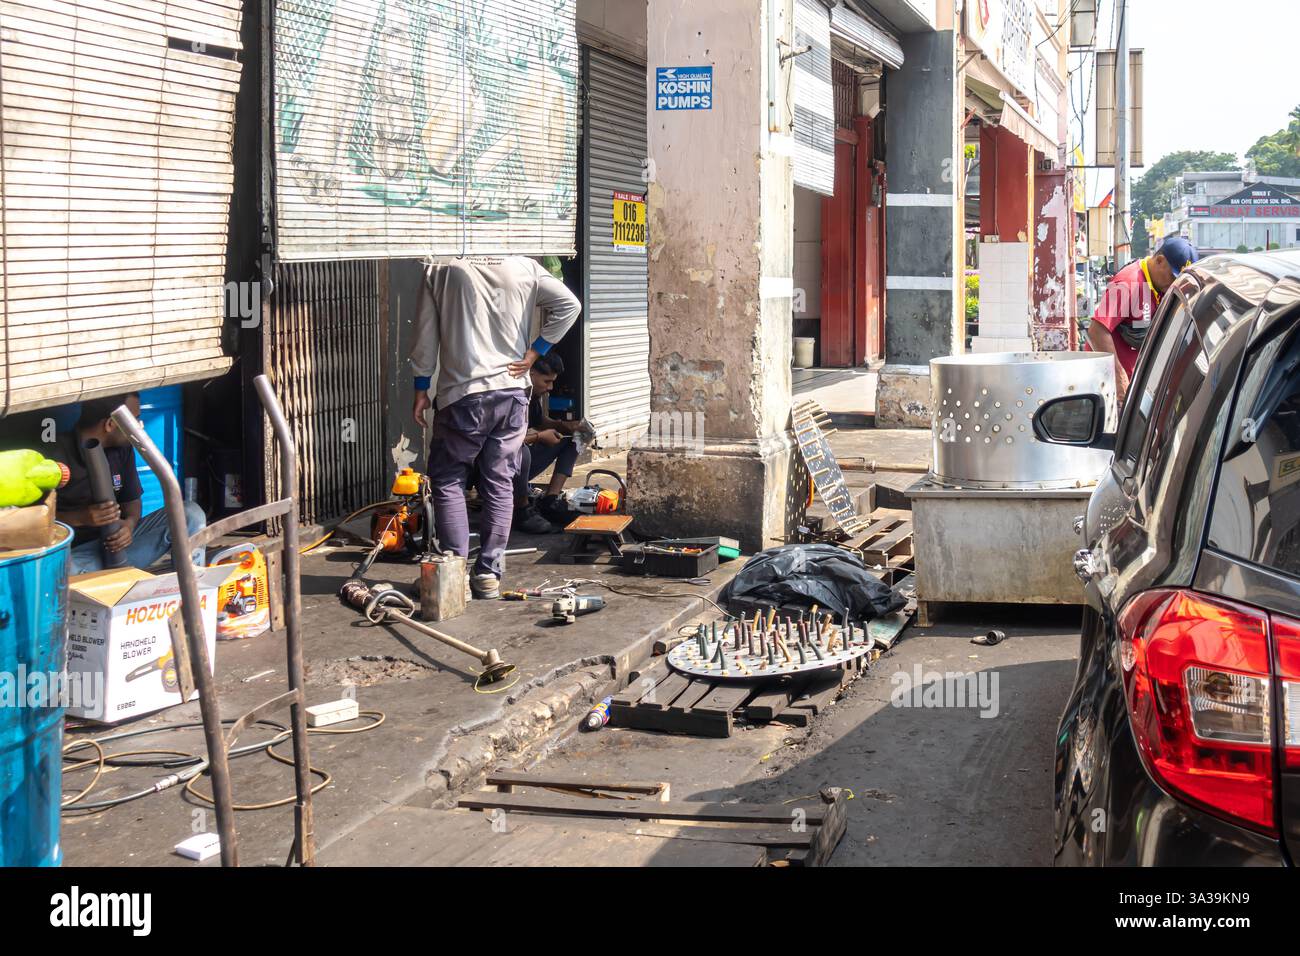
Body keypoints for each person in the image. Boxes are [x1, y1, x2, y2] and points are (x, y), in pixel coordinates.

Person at [411, 255, 580, 598]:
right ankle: (488, 573)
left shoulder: (440, 266)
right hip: (512, 393)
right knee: (500, 480)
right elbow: (569, 305)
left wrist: (421, 389)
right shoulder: (523, 265)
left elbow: (425, 334)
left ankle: (453, 575)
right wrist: (535, 352)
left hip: (463, 394)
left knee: (447, 478)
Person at [49, 393, 207, 576]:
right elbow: (34, 521)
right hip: (76, 555)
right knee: (61, 571)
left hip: (120, 548)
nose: (140, 426)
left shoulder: (123, 448)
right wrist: (81, 517)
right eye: (135, 419)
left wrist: (129, 525)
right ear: (110, 424)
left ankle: (193, 585)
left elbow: (132, 501)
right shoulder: (55, 455)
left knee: (190, 514)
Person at [1084, 237, 1198, 403]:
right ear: (1159, 260)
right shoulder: (1128, 284)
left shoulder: (1160, 288)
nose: (1175, 284)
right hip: (1108, 388)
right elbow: (1097, 330)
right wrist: (1119, 378)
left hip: (1135, 386)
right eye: (1173, 277)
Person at [512, 353, 586, 533]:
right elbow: (504, 442)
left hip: (522, 464)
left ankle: (550, 500)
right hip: (500, 467)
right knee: (523, 451)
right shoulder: (512, 396)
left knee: (577, 438)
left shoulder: (532, 396)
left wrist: (564, 426)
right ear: (531, 374)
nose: (550, 387)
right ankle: (521, 510)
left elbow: (538, 420)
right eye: (546, 381)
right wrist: (539, 437)